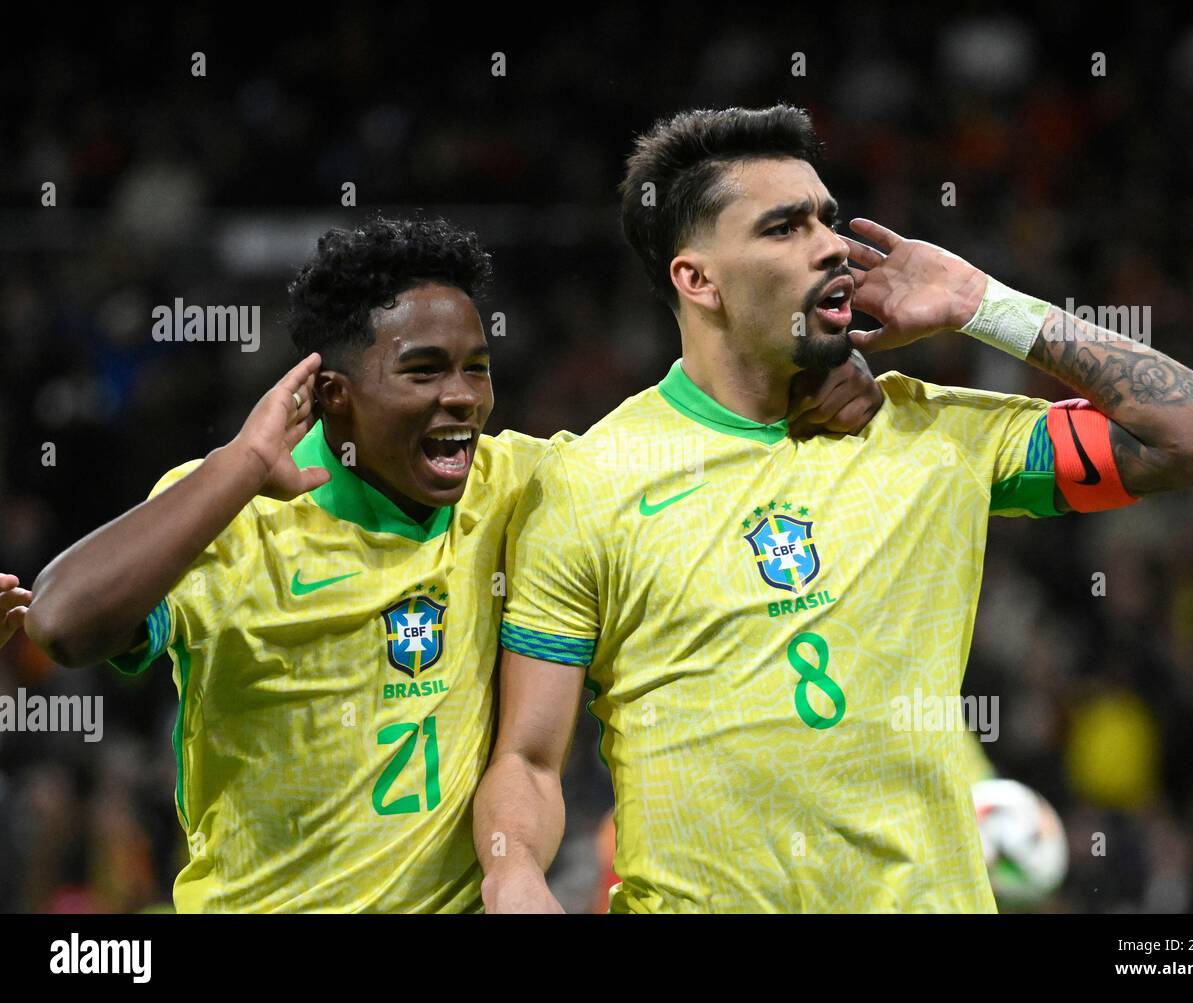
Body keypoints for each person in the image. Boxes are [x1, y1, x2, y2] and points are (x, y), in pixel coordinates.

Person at [473, 105, 1193, 913]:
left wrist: (983, 302)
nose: (831, 245)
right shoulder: (592, 477)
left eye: (827, 219)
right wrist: (515, 871)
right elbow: (528, 758)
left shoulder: (932, 433)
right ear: (697, 278)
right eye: (784, 228)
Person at [11, 214, 882, 912]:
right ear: (332, 398)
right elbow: (63, 622)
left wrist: (807, 382)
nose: (462, 397)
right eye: (424, 371)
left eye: (476, 368)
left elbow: (684, 444)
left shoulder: (518, 485)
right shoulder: (235, 517)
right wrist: (239, 464)